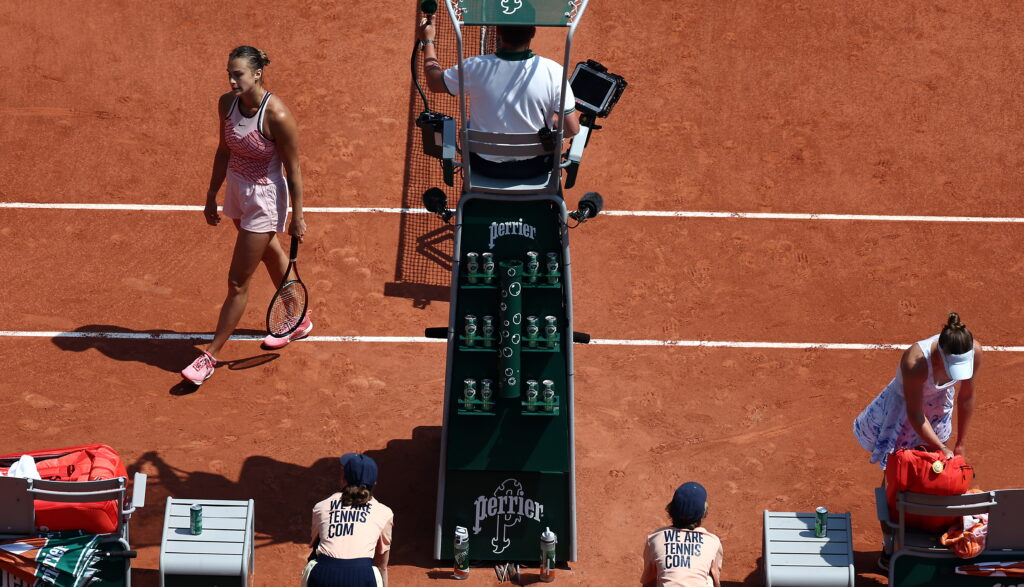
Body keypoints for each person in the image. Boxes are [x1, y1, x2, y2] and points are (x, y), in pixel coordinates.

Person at [181, 45, 311, 386]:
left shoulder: (277, 115)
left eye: (237, 73)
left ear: (257, 74)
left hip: (264, 198)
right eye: (229, 73)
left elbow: (293, 170)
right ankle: (299, 318)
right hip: (238, 190)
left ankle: (210, 355)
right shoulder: (227, 104)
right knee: (270, 252)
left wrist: (297, 215)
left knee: (238, 281)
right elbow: (224, 152)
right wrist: (212, 194)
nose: (231, 79)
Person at [416, 20, 580, 179]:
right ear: (533, 32)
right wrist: (551, 123)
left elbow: (434, 82)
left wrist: (428, 40)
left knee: (467, 125)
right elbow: (572, 129)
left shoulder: (474, 66)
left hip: (485, 166)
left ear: (498, 31)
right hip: (536, 167)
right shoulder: (554, 71)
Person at [854, 312, 981, 469]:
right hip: (905, 408)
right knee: (900, 469)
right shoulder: (915, 363)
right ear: (940, 355)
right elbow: (915, 413)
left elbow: (966, 397)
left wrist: (960, 444)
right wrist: (940, 447)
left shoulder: (974, 352)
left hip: (938, 406)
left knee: (937, 467)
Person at [306, 453, 393, 587]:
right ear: (375, 483)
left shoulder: (321, 507)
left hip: (323, 576)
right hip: (363, 577)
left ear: (343, 479)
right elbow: (382, 565)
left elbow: (315, 544)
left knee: (314, 558)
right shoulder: (384, 512)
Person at [641, 481, 724, 587]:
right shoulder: (713, 541)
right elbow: (716, 582)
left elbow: (648, 583)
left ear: (671, 509)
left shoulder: (655, 538)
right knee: (709, 580)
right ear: (703, 513)